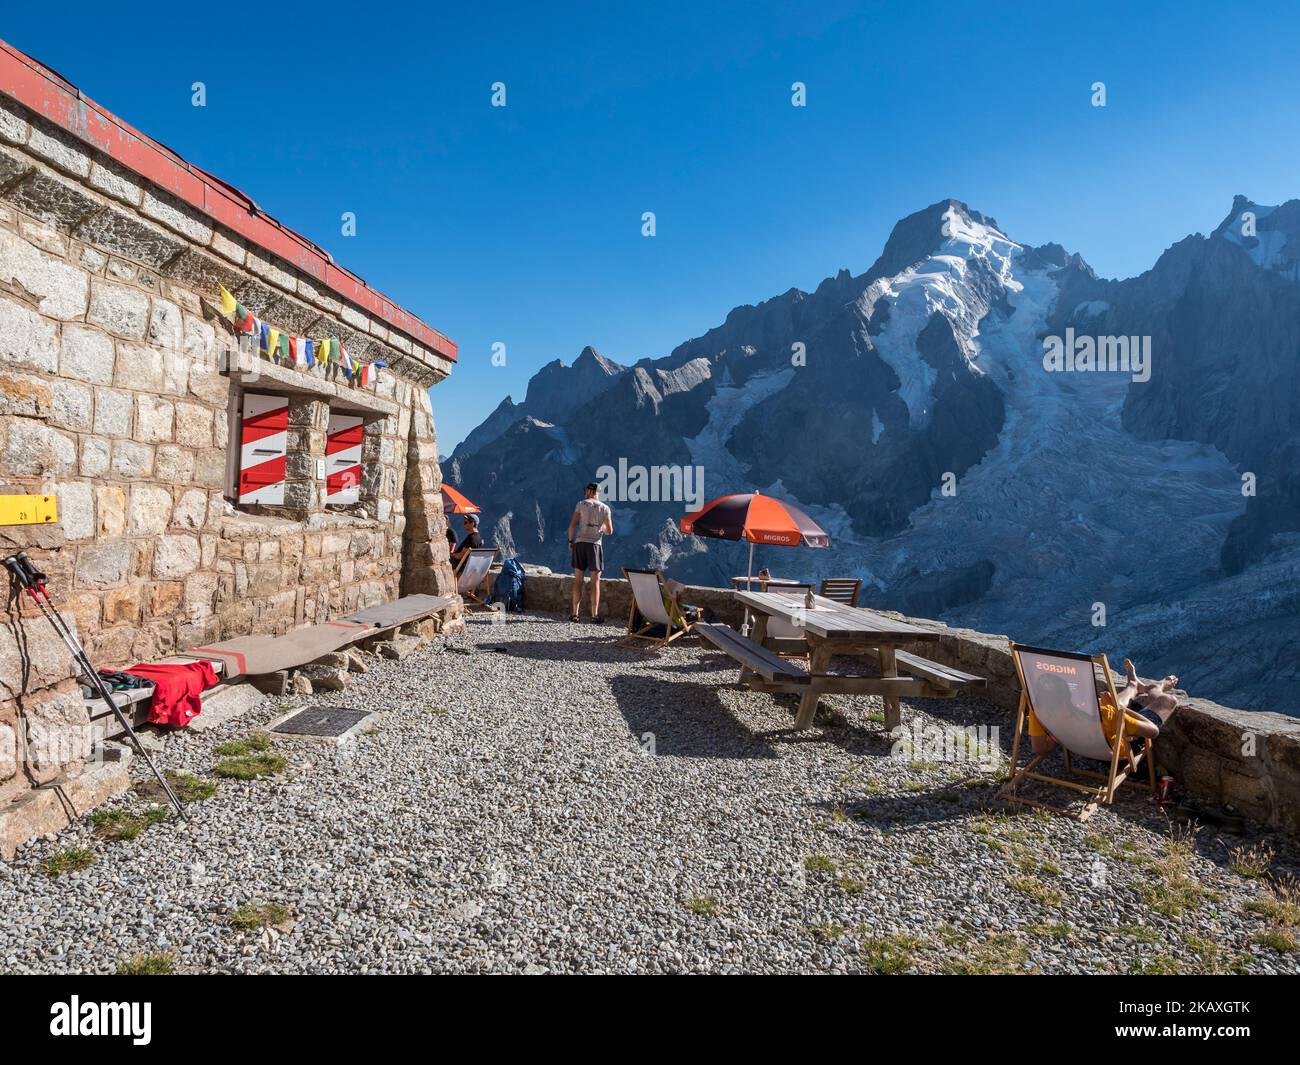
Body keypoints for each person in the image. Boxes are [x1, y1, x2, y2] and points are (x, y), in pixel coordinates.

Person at [1028, 658, 1180, 759]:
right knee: (1168, 700)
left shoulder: (1038, 711)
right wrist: (1117, 708)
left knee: (1108, 704)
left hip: (1081, 747)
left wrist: (1059, 736)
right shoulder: (1100, 713)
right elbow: (1153, 731)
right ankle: (1156, 687)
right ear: (1068, 694)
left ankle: (1133, 685)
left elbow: (1040, 749)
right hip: (1115, 751)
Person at [567, 482, 612, 623]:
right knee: (595, 582)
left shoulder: (581, 504)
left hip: (580, 544)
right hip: (595, 545)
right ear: (598, 492)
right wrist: (601, 527)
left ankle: (575, 614)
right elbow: (610, 531)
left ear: (588, 491)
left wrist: (570, 541)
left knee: (578, 581)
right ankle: (594, 615)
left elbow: (572, 525)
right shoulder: (605, 508)